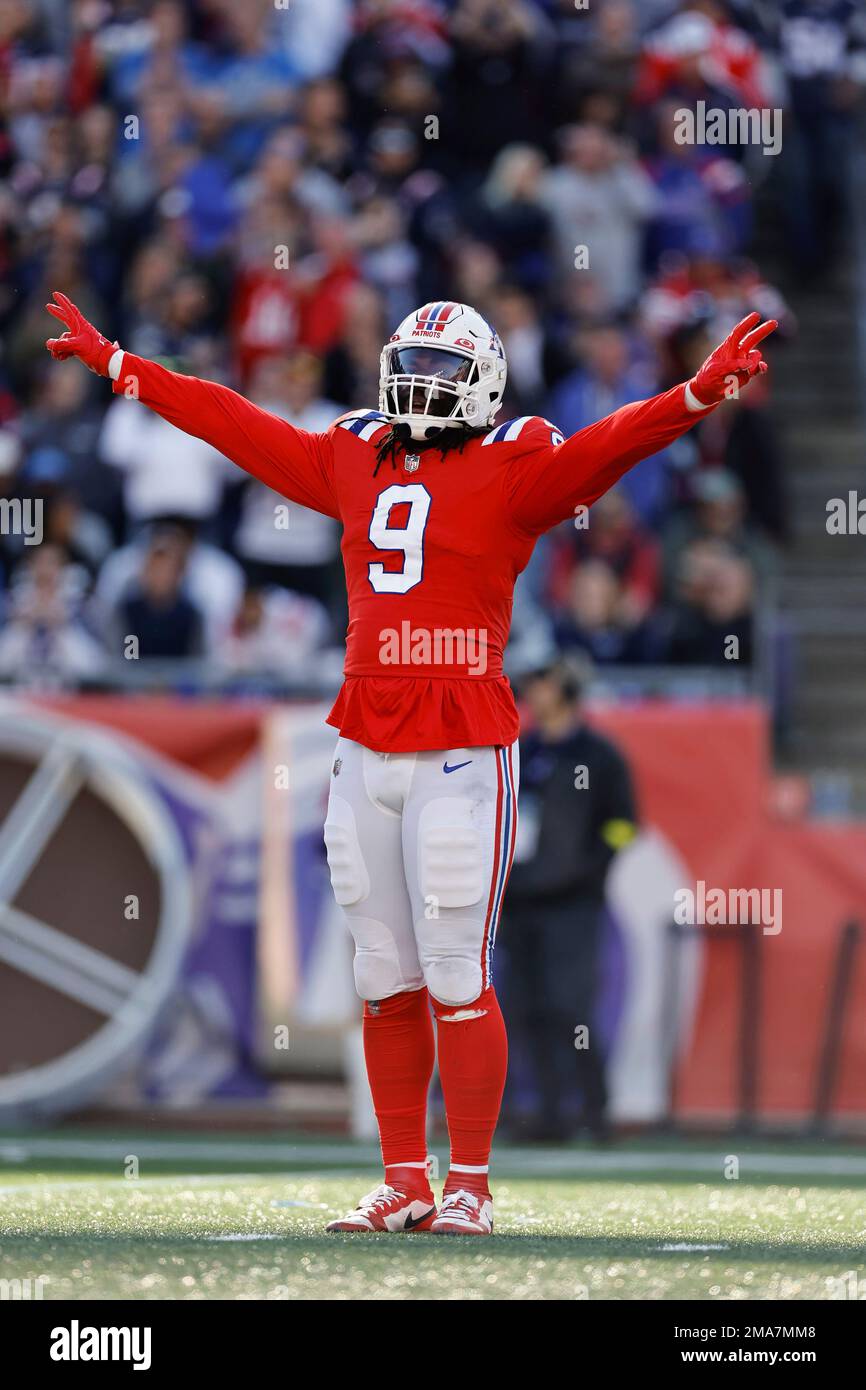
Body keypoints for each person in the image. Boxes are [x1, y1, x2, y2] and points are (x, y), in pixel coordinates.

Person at [44, 289, 776, 1236]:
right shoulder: (352, 449)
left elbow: (610, 446)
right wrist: (121, 366)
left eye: (442, 372)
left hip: (462, 745)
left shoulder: (517, 461)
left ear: (484, 383)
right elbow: (233, 421)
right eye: (411, 367)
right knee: (382, 972)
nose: (420, 386)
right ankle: (404, 1178)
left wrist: (694, 397)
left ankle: (467, 1182)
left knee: (456, 972)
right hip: (363, 741)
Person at [501, 655, 638, 1142]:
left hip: (572, 906)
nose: (534, 689)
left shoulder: (599, 755)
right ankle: (549, 1114)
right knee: (523, 1008)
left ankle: (596, 1113)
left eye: (545, 680)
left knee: (569, 1007)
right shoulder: (522, 750)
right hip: (520, 902)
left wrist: (587, 870)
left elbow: (623, 824)